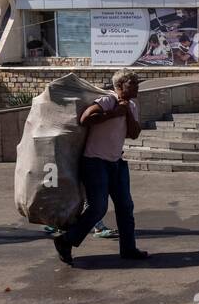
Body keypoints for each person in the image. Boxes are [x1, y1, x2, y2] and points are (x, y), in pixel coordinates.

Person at [52, 68, 145, 265]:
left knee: (125, 207)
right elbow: (85, 119)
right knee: (98, 208)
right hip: (95, 161)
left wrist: (126, 111)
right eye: (132, 83)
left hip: (116, 162)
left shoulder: (132, 106)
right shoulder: (107, 100)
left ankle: (128, 248)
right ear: (120, 86)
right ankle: (66, 241)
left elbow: (134, 133)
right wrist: (113, 113)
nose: (137, 86)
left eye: (137, 83)